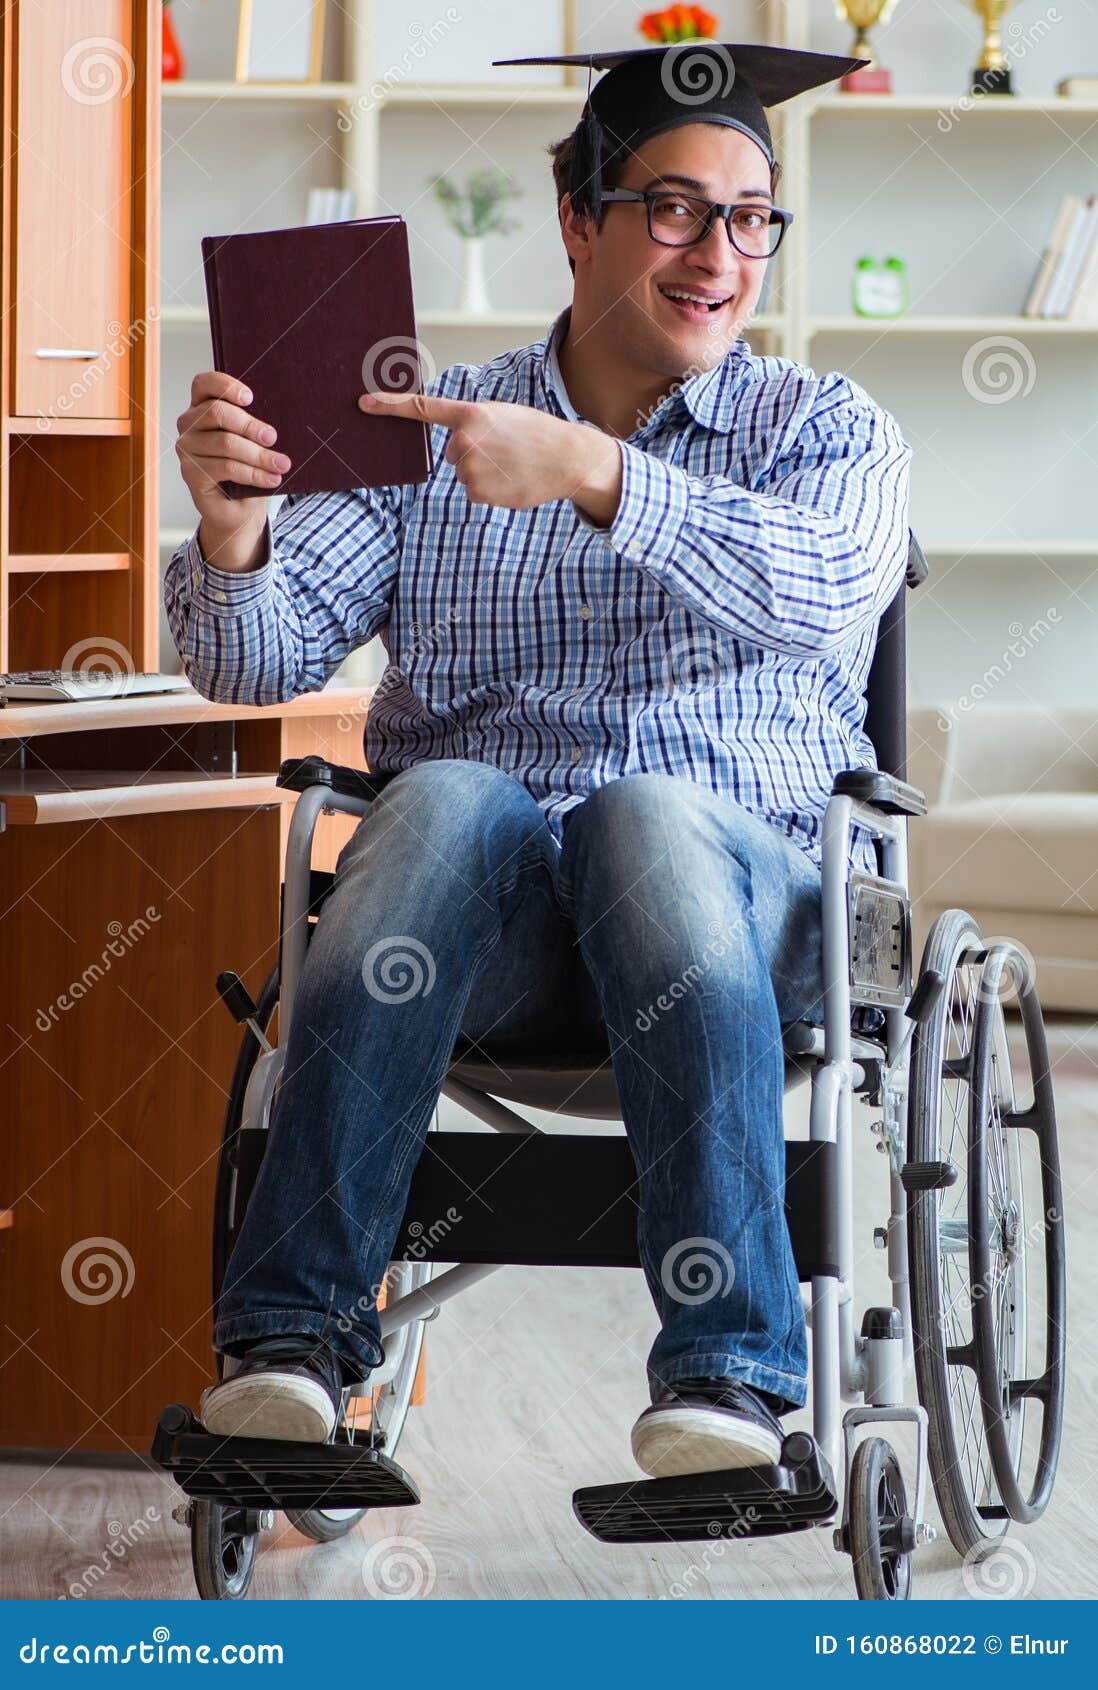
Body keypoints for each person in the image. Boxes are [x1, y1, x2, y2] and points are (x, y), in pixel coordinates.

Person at [166, 39, 911, 1478]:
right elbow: (250, 662)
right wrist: (232, 527)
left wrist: (590, 474)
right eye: (675, 209)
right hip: (491, 938)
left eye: (750, 215)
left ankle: (730, 1381)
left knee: (649, 816)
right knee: (439, 796)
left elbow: (827, 586)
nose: (720, 253)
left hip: (749, 917)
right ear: (577, 215)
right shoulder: (425, 425)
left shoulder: (820, 426)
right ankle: (292, 1351)